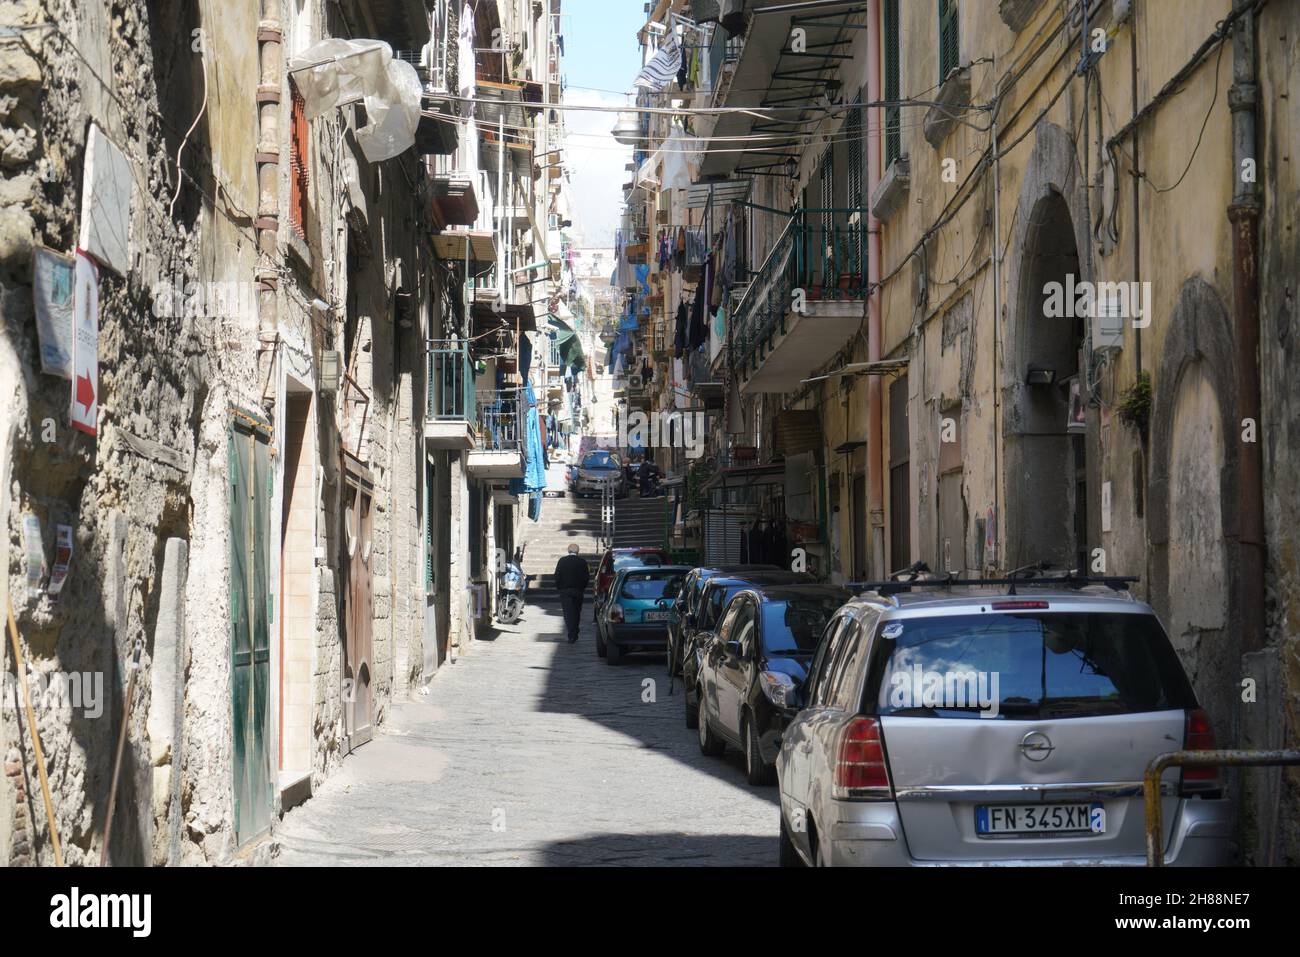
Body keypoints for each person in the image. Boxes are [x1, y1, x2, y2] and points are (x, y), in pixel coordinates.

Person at [554, 543, 590, 643]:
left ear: (568, 550)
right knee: (576, 612)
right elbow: (586, 577)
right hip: (578, 591)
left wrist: (560, 588)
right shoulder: (582, 562)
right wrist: (582, 588)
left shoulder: (562, 561)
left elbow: (557, 575)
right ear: (578, 551)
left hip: (565, 591)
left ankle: (571, 634)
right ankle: (574, 631)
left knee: (568, 613)